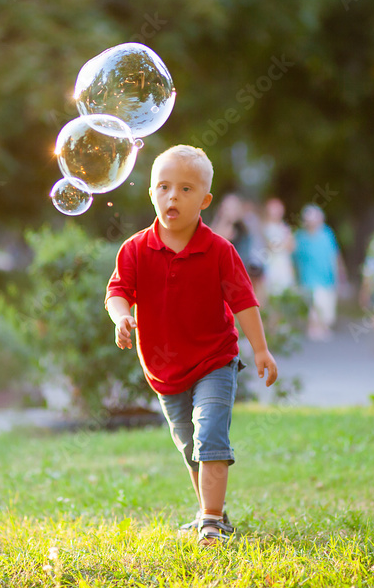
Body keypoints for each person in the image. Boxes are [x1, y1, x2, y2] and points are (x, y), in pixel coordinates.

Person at [105, 145, 278, 547]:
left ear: (205, 200)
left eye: (185, 189)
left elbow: (244, 302)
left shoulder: (219, 250)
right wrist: (121, 316)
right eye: (164, 187)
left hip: (215, 359)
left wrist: (261, 349)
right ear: (151, 194)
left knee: (210, 433)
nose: (173, 197)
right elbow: (117, 291)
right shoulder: (134, 249)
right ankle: (211, 512)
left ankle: (211, 522)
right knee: (189, 447)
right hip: (164, 370)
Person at [293, 204, 348, 340]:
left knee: (327, 306)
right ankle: (313, 327)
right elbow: (293, 257)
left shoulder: (327, 234)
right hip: (308, 278)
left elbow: (335, 255)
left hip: (327, 277)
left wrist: (341, 274)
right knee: (314, 303)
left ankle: (323, 327)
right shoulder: (300, 236)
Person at [210, 193, 266, 297]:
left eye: (233, 207)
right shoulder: (217, 226)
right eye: (227, 207)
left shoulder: (244, 230)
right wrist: (224, 218)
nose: (230, 210)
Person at [261, 197, 296, 297]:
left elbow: (291, 246)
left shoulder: (284, 227)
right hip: (271, 268)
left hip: (284, 267)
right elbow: (272, 246)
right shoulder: (265, 227)